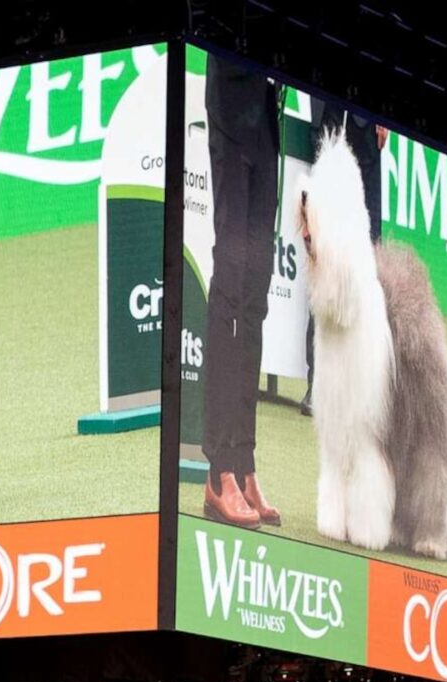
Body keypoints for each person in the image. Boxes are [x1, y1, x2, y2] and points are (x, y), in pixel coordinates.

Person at [200, 55, 283, 529]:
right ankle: (219, 472)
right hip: (231, 112)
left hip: (265, 118)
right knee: (230, 292)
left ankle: (245, 465)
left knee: (256, 297)